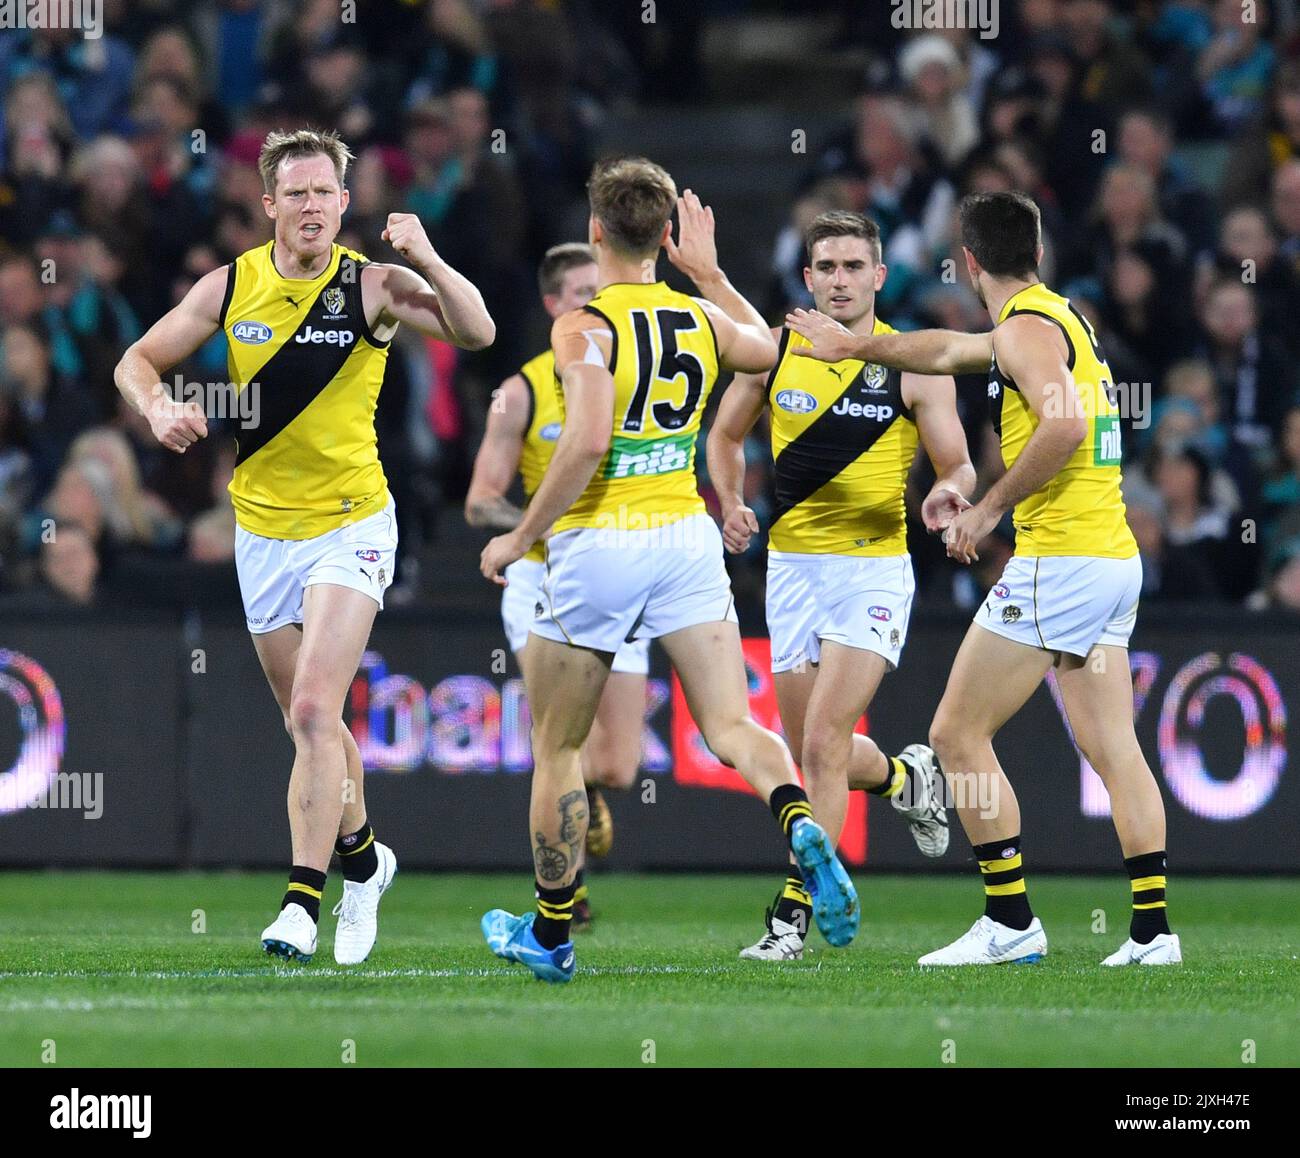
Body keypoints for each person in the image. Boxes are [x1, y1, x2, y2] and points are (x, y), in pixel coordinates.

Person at [114, 127, 494, 965]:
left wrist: (428, 255)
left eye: (326, 192)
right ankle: (366, 862)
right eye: (299, 193)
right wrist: (157, 408)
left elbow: (478, 332)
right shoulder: (231, 284)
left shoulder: (374, 288)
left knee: (320, 710)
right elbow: (136, 360)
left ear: (344, 204)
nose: (313, 205)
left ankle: (301, 902)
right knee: (306, 724)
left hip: (352, 524)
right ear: (271, 204)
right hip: (262, 532)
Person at [478, 158, 859, 983]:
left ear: (595, 233)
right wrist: (713, 274)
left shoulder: (583, 326)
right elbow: (766, 350)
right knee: (729, 726)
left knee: (558, 746)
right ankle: (796, 820)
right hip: (686, 538)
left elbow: (581, 443)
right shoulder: (695, 314)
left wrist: (519, 539)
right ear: (664, 239)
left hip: (600, 544)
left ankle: (549, 933)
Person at [787, 191, 1180, 967]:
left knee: (954, 735)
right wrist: (854, 348)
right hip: (1109, 559)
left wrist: (989, 508)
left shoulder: (1028, 331)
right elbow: (944, 352)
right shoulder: (1056, 318)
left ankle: (1009, 920)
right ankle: (1152, 931)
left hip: (1058, 564)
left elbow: (1063, 424)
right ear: (1036, 251)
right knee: (1112, 747)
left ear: (968, 261)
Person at [707, 210, 969, 961]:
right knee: (810, 754)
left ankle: (789, 919)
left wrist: (951, 490)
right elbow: (724, 437)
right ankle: (903, 777)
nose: (841, 280)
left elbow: (956, 461)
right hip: (791, 570)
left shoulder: (911, 362)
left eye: (855, 266)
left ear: (880, 276)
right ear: (808, 276)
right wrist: (731, 500)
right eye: (827, 267)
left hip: (873, 570)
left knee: (822, 742)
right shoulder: (777, 350)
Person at [465, 241, 645, 931]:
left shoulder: (633, 373)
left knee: (618, 764)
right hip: (543, 575)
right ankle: (564, 894)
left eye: (598, 293)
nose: (590, 306)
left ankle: (587, 806)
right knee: (556, 743)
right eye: (577, 295)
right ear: (551, 304)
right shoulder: (522, 391)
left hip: (622, 566)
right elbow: (481, 500)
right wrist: (537, 525)